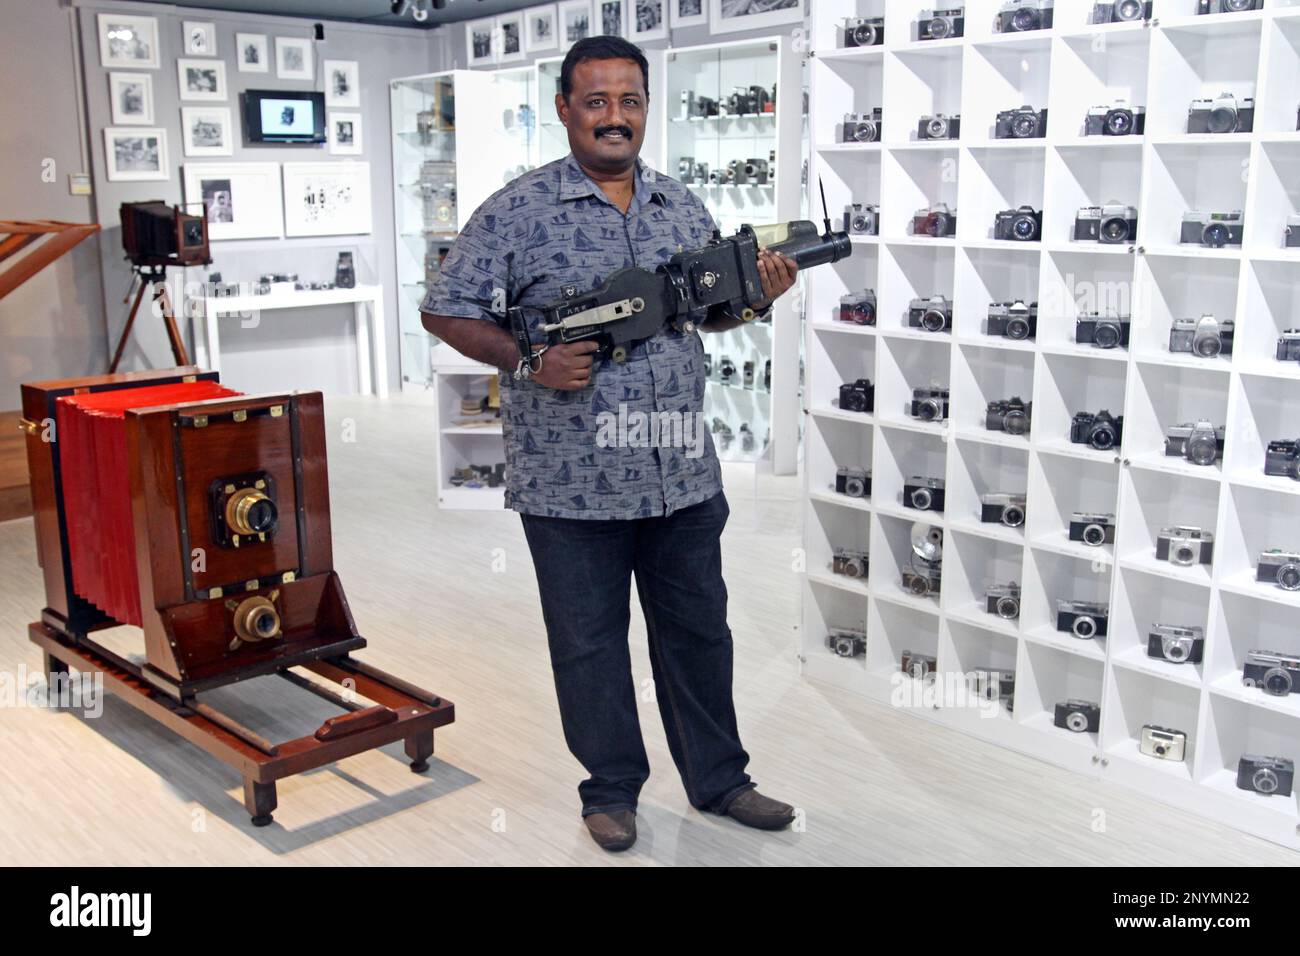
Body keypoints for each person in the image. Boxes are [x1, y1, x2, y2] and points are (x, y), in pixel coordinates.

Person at [420, 36, 799, 852]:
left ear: (646, 108)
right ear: (565, 108)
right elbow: (444, 307)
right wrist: (528, 360)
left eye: (629, 101)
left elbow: (708, 313)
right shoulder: (517, 210)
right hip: (571, 482)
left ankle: (721, 780)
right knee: (589, 644)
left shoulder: (680, 206)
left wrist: (757, 299)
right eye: (596, 101)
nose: (614, 117)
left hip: (682, 474)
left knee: (700, 634)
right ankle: (611, 790)